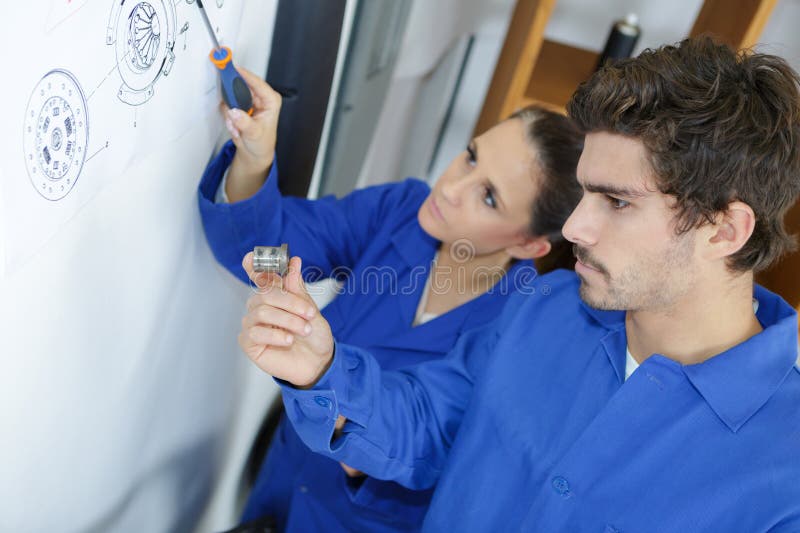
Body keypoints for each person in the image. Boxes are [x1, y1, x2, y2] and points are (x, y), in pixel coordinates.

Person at [237, 36, 800, 532]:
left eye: (619, 202)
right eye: (584, 194)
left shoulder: (785, 475)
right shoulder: (546, 310)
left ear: (724, 230)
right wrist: (319, 367)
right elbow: (425, 425)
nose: (575, 228)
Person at [197, 68, 584, 531]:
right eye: (470, 157)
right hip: (281, 486)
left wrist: (330, 387)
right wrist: (254, 161)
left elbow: (427, 448)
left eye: (488, 198)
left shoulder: (519, 331)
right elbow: (270, 247)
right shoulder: (401, 212)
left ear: (528, 245)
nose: (451, 187)